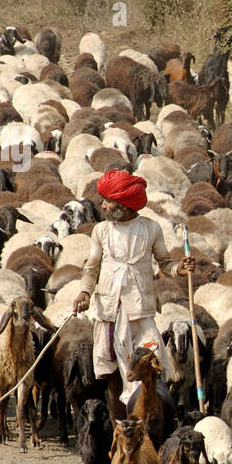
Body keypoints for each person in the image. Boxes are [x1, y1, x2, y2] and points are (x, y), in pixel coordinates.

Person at [73, 170, 194, 419]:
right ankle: (121, 426)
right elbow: (92, 267)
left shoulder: (151, 229)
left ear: (123, 205)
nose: (103, 205)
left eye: (107, 200)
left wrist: (180, 269)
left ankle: (149, 419)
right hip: (109, 312)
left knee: (150, 364)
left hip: (140, 312)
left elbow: (166, 264)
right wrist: (85, 292)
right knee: (115, 376)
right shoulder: (101, 231)